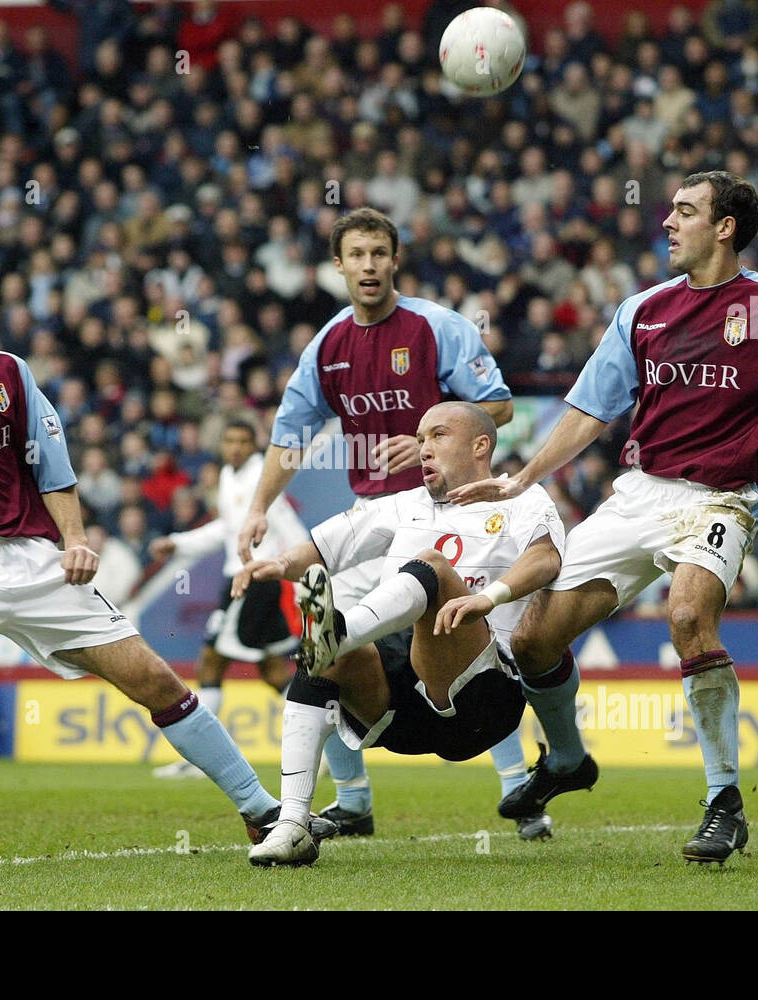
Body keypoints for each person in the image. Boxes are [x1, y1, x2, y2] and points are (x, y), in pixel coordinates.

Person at [0, 242, 328, 873]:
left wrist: (75, 539)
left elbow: (54, 471)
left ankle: (259, 809)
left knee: (154, 678)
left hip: (33, 559)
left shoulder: (8, 373)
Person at [450, 172, 758, 864]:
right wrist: (525, 477)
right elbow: (590, 410)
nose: (667, 223)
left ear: (725, 228)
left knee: (688, 616)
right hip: (638, 495)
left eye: (685, 211)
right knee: (534, 641)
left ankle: (725, 802)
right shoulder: (644, 310)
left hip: (719, 499)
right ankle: (566, 760)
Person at [235, 207, 550, 840]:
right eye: (357, 255)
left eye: (380, 253)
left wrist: (423, 436)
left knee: (459, 639)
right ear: (339, 266)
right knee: (326, 649)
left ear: (395, 259)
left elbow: (500, 405)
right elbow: (291, 435)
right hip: (372, 516)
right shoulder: (327, 346)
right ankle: (351, 802)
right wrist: (257, 507)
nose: (369, 266)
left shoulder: (438, 328)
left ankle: (521, 792)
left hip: (449, 512)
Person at [235, 402, 573, 865]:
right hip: (401, 714)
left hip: (483, 696)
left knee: (431, 566)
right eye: (419, 439)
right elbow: (322, 548)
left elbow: (546, 559)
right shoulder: (402, 504)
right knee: (322, 660)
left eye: (438, 436)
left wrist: (489, 597)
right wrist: (277, 565)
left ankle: (339, 633)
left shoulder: (521, 497)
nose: (424, 449)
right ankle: (293, 823)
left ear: (481, 446)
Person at [147, 418, 306, 778]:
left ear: (254, 446)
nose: (235, 447)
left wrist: (302, 577)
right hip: (240, 578)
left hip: (254, 578)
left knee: (210, 661)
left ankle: (201, 759)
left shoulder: (261, 480)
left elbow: (290, 527)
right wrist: (180, 543)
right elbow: (228, 527)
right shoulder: (228, 477)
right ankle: (321, 741)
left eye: (242, 441)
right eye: (229, 440)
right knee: (272, 671)